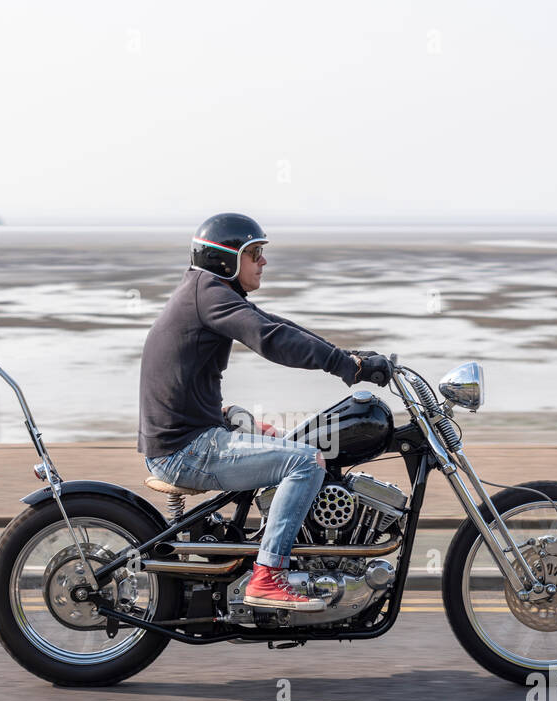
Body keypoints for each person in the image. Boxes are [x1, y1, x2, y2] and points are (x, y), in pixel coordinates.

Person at [138, 212, 390, 611]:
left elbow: (274, 323)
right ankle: (267, 575)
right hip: (186, 449)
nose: (263, 262)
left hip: (190, 432)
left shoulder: (205, 291)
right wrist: (348, 367)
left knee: (282, 438)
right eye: (254, 254)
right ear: (227, 259)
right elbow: (270, 338)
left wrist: (349, 357)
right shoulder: (211, 293)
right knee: (307, 461)